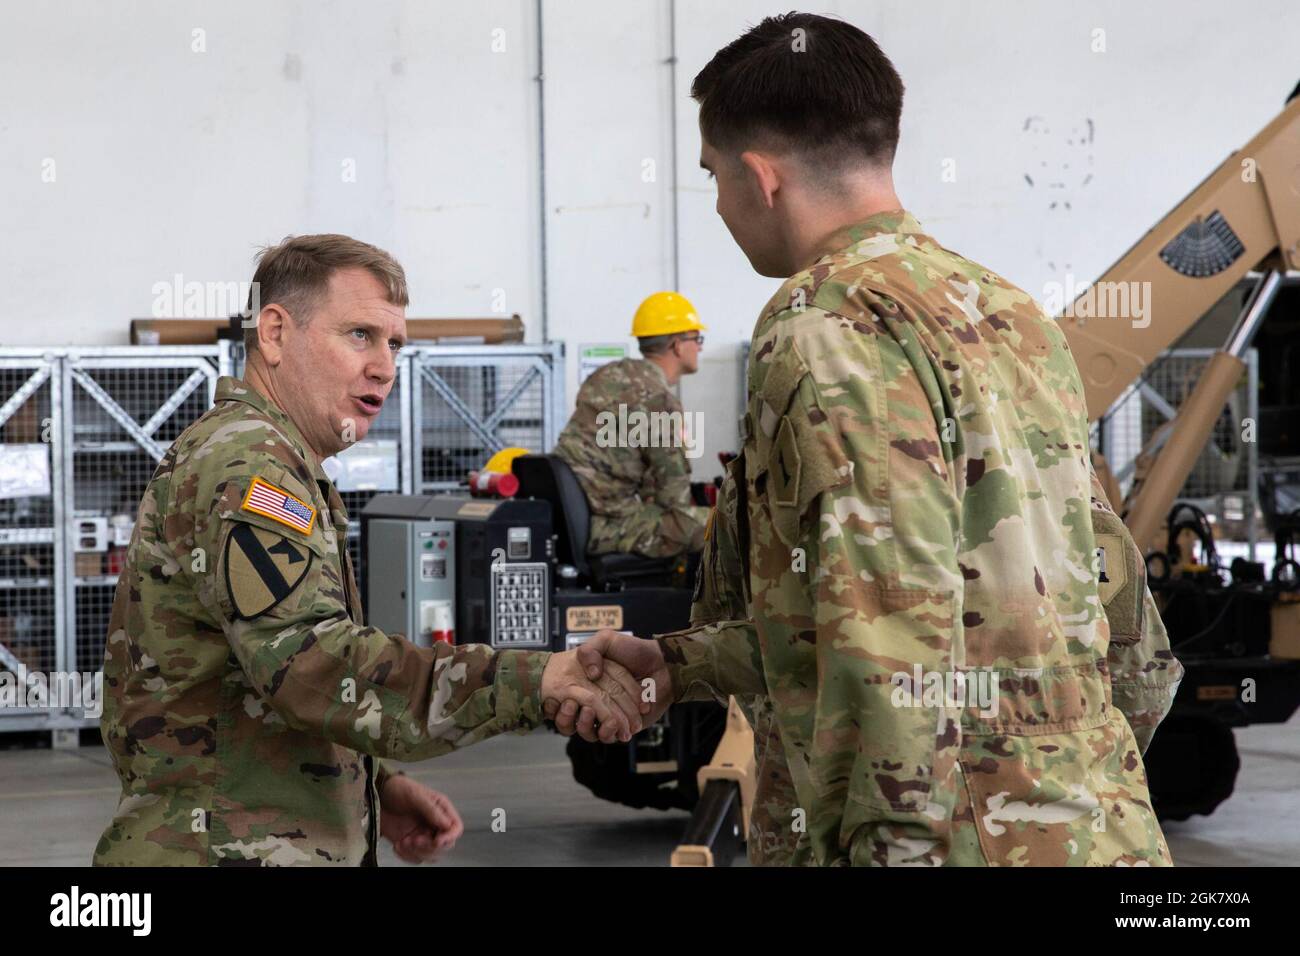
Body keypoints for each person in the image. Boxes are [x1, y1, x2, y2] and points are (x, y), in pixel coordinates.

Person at [559, 12, 1182, 866]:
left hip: (945, 836)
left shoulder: (824, 324)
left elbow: (892, 618)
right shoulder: (1010, 313)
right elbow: (1108, 602)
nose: (717, 205)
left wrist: (894, 844)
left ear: (761, 176)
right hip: (1088, 823)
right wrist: (677, 662)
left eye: (712, 177)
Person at [95, 234, 645, 866]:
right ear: (273, 333)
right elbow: (311, 665)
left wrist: (376, 785)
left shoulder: (278, 459)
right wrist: (536, 679)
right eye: (360, 335)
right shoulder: (249, 465)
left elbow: (249, 677)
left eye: (395, 345)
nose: (385, 365)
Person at [554, 292, 710, 559]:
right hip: (607, 524)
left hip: (576, 513)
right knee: (721, 527)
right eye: (697, 339)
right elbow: (675, 499)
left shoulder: (606, 377)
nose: (701, 347)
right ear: (677, 345)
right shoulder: (659, 400)